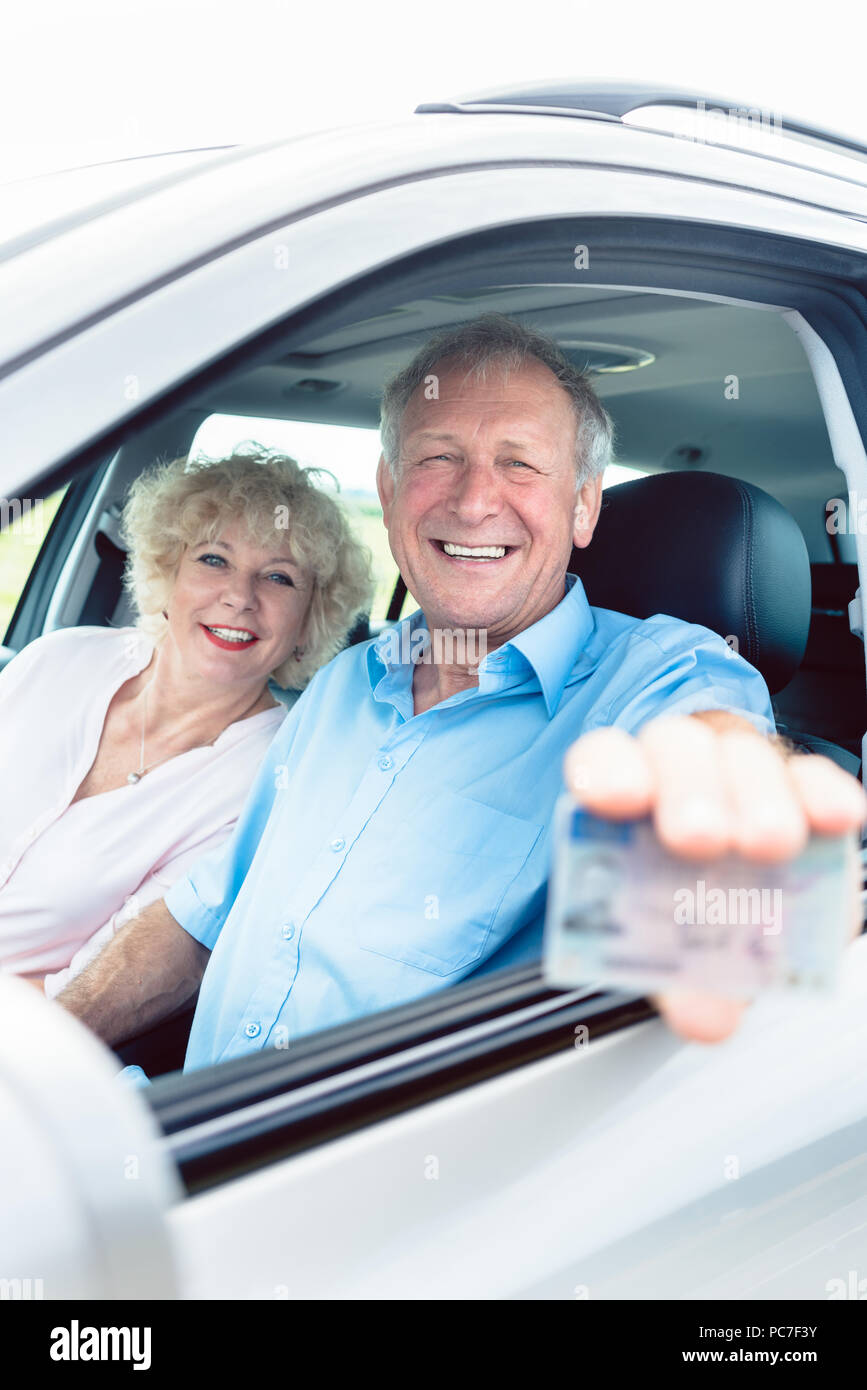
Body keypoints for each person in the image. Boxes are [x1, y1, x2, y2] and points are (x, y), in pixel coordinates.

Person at [55, 316, 867, 1064]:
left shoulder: (657, 674)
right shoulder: (342, 685)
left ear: (583, 506)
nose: (474, 500)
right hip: (185, 1147)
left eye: (519, 463)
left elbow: (714, 756)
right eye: (438, 457)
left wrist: (741, 848)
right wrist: (51, 1047)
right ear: (388, 487)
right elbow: (208, 913)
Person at [0, 447, 372, 996]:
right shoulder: (58, 657)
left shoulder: (270, 783)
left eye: (278, 578)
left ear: (309, 622)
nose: (239, 598)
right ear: (167, 571)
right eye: (214, 560)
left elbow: (87, 987)